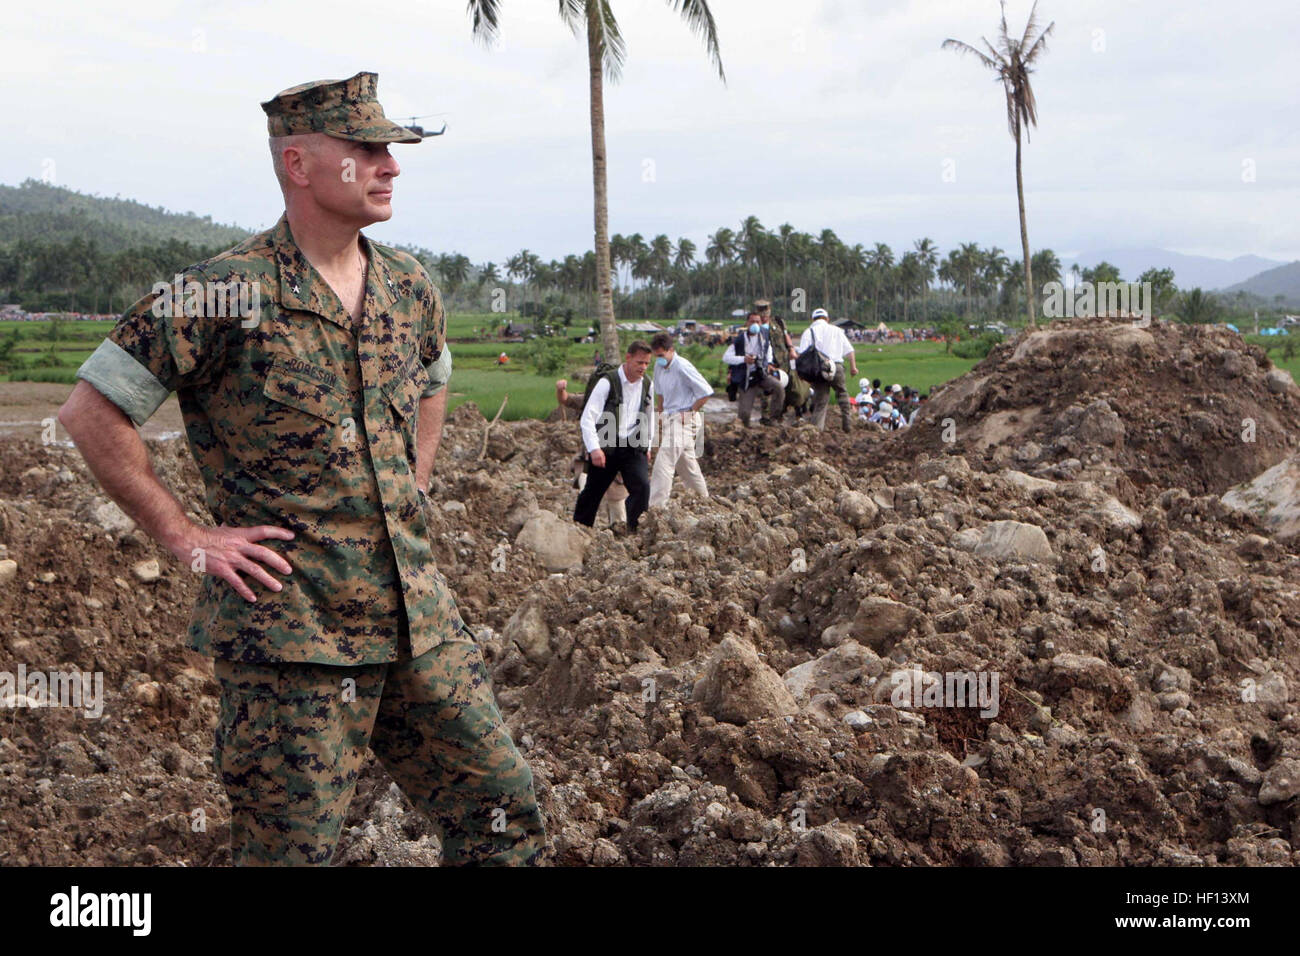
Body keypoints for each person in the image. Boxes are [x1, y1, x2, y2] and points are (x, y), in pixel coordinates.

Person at [56, 73, 546, 867]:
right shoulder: (221, 292)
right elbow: (91, 410)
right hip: (292, 639)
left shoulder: (407, 286)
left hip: (417, 621)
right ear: (299, 164)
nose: (390, 166)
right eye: (366, 150)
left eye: (392, 150)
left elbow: (434, 375)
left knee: (503, 813)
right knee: (288, 856)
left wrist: (416, 480)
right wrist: (185, 536)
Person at [574, 342, 656, 532]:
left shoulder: (647, 384)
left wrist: (648, 446)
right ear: (628, 358)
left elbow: (650, 415)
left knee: (642, 487)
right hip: (607, 446)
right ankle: (580, 530)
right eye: (639, 362)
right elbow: (588, 418)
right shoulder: (608, 382)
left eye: (646, 363)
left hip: (633, 445)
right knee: (593, 492)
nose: (643, 367)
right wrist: (594, 449)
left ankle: (634, 532)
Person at [648, 332, 712, 508]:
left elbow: (705, 391)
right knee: (686, 466)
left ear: (671, 350)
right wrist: (660, 415)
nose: (658, 359)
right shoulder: (659, 367)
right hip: (670, 419)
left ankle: (655, 508)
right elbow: (659, 393)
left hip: (683, 419)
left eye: (661, 355)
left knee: (664, 461)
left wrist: (691, 411)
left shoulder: (683, 367)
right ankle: (704, 499)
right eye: (656, 356)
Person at [555, 378, 627, 527]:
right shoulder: (589, 399)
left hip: (614, 458)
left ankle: (618, 530)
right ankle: (583, 529)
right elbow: (566, 399)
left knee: (617, 501)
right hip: (590, 459)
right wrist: (560, 390)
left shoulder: (624, 401)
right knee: (588, 495)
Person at [797, 307, 859, 431]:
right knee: (842, 394)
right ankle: (847, 425)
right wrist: (853, 368)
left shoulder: (809, 332)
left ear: (812, 319)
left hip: (819, 369)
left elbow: (802, 355)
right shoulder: (837, 330)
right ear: (827, 319)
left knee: (820, 401)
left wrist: (801, 374)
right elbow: (850, 351)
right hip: (837, 366)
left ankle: (816, 430)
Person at [723, 313, 782, 426]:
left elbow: (768, 350)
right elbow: (726, 357)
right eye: (752, 321)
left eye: (757, 322)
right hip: (746, 378)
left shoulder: (764, 336)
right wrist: (743, 359)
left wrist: (768, 363)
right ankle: (744, 429)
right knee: (744, 414)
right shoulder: (739, 340)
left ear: (761, 323)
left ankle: (774, 418)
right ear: (747, 323)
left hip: (761, 374)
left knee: (778, 387)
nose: (755, 324)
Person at [755, 298, 809, 420]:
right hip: (767, 363)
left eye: (765, 310)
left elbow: (786, 336)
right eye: (761, 311)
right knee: (769, 391)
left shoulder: (778, 322)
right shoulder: (755, 327)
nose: (763, 314)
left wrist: (791, 349)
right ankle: (768, 417)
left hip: (784, 361)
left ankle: (790, 412)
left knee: (791, 387)